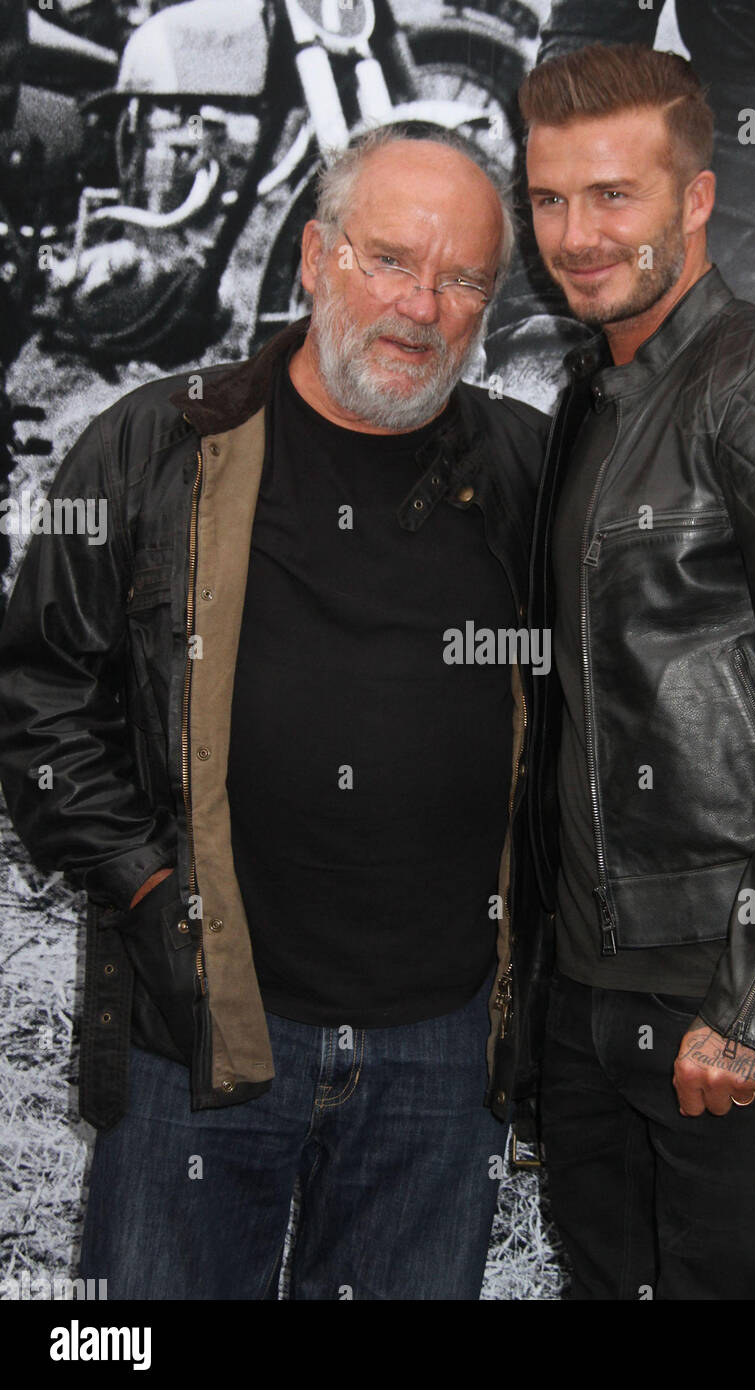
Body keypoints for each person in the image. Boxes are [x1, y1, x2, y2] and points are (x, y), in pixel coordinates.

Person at [0, 126, 546, 1300]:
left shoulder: (528, 473)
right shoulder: (153, 444)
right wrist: (145, 890)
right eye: (390, 260)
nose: (419, 308)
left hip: (443, 1045)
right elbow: (40, 692)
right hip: (201, 1031)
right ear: (312, 255)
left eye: (460, 281)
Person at [517, 43, 755, 1299]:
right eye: (546, 199)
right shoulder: (594, 395)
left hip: (733, 1003)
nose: (573, 236)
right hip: (594, 995)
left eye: (612, 196)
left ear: (696, 201)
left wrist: (749, 1007)